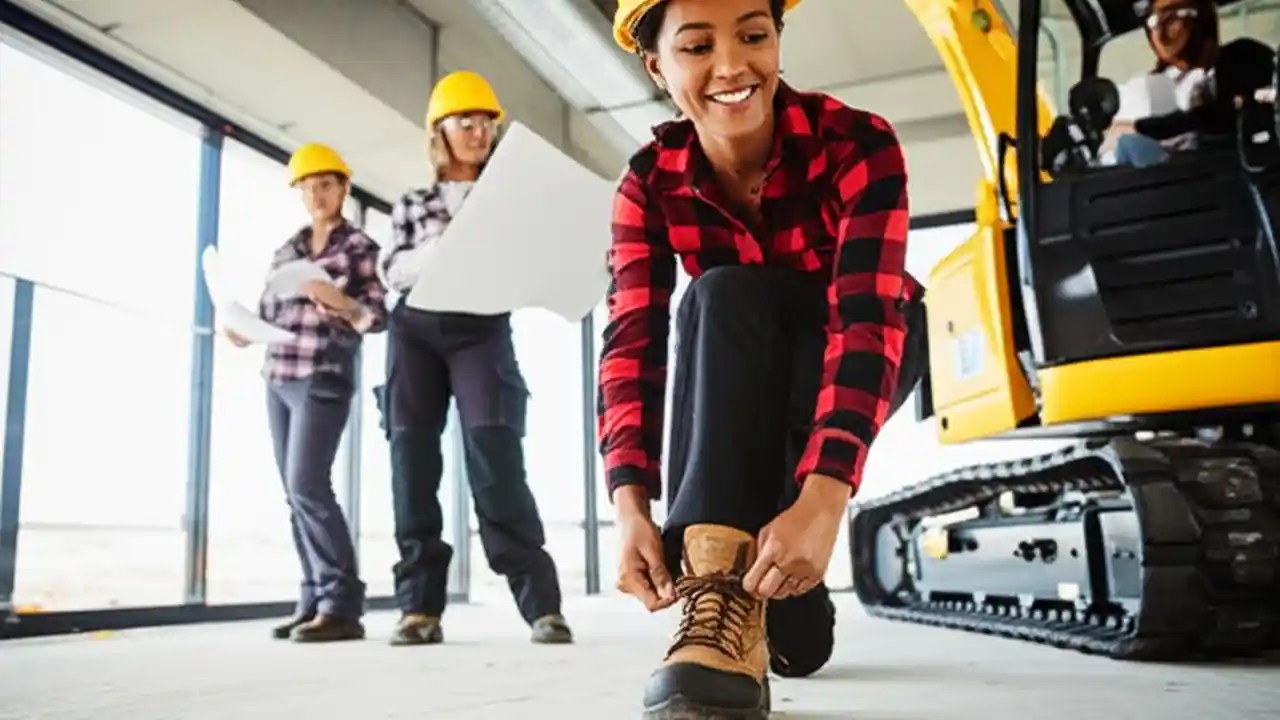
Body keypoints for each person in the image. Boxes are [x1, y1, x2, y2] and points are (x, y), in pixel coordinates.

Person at [598, 0, 926, 716]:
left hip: (863, 343)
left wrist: (824, 498)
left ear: (778, 40)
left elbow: (864, 321)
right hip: (743, 352)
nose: (732, 65)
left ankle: (725, 584)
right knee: (721, 297)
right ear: (656, 66)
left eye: (754, 35)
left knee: (742, 307)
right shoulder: (648, 182)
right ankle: (722, 592)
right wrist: (629, 507)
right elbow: (633, 343)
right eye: (696, 46)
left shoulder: (858, 144)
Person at [378, 70, 573, 647]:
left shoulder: (508, 198)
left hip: (481, 328)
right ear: (440, 131)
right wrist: (445, 248)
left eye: (487, 122)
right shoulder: (414, 203)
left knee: (496, 459)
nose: (479, 131)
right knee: (412, 465)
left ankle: (542, 606)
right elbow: (394, 271)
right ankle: (419, 609)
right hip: (415, 329)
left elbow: (532, 266)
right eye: (466, 121)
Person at [225, 142, 389, 643]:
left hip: (323, 375)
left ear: (343, 187)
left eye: (326, 184)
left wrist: (341, 302)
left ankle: (342, 605)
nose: (317, 194)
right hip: (278, 376)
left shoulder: (359, 247)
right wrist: (243, 329)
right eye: (309, 187)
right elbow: (267, 314)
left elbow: (377, 318)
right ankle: (313, 598)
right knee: (295, 494)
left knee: (310, 485)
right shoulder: (286, 251)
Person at [1104, 0, 1220, 167]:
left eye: (1173, 16)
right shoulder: (1145, 87)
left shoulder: (1226, 76)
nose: (1159, 28)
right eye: (1154, 19)